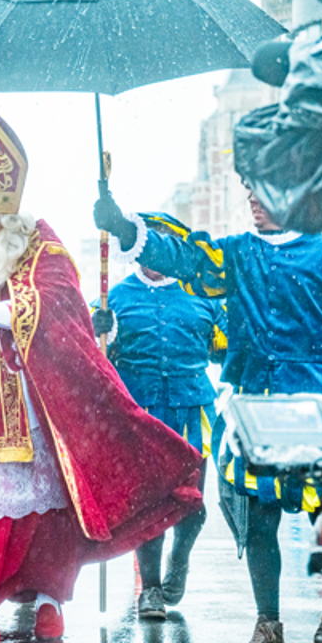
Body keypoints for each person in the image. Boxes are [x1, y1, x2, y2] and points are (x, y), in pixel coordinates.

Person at [0, 112, 202, 643]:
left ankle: (49, 601)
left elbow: (56, 313)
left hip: (36, 407)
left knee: (47, 508)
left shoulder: (44, 252)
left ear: (10, 218)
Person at [95, 189, 322, 643]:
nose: (253, 203)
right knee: (260, 520)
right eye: (248, 194)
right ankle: (268, 624)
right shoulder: (236, 253)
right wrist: (126, 231)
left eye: (263, 192)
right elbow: (187, 258)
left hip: (318, 407)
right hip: (254, 406)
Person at [94, 213, 227, 618]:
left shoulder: (203, 297)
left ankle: (180, 559)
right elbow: (93, 356)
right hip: (141, 412)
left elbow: (225, 349)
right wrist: (98, 329)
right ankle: (150, 589)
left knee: (193, 500)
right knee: (148, 503)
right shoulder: (113, 298)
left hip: (192, 407)